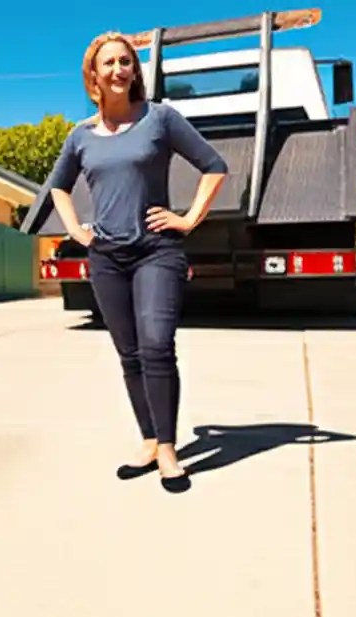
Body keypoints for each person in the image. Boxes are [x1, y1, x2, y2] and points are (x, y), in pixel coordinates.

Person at [46, 31, 228, 491]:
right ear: (94, 75)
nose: (118, 70)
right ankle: (148, 440)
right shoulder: (80, 136)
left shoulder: (160, 119)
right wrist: (75, 229)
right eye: (108, 63)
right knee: (129, 354)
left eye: (125, 61)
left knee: (156, 345)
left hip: (156, 252)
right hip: (106, 257)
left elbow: (214, 165)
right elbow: (59, 186)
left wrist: (187, 219)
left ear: (134, 71)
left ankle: (168, 449)